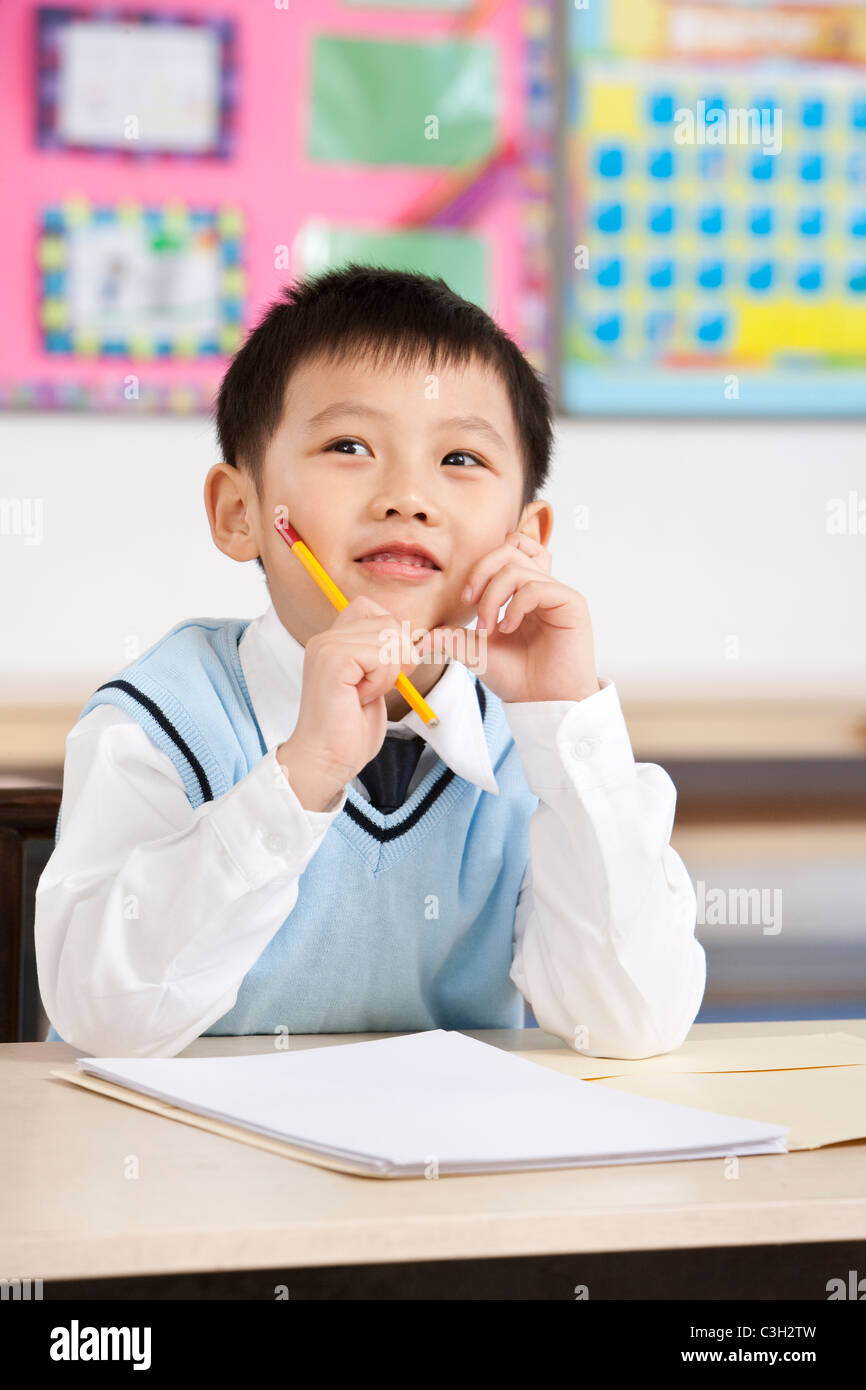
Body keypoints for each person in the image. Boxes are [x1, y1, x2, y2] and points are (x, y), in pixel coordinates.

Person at [36, 264, 705, 1058]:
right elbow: (103, 1019)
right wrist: (299, 778)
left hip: (449, 1174)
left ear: (528, 538)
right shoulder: (160, 718)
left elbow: (632, 1021)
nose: (408, 497)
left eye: (461, 460)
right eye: (348, 445)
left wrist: (566, 724)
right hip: (198, 1171)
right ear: (240, 512)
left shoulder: (535, 743)